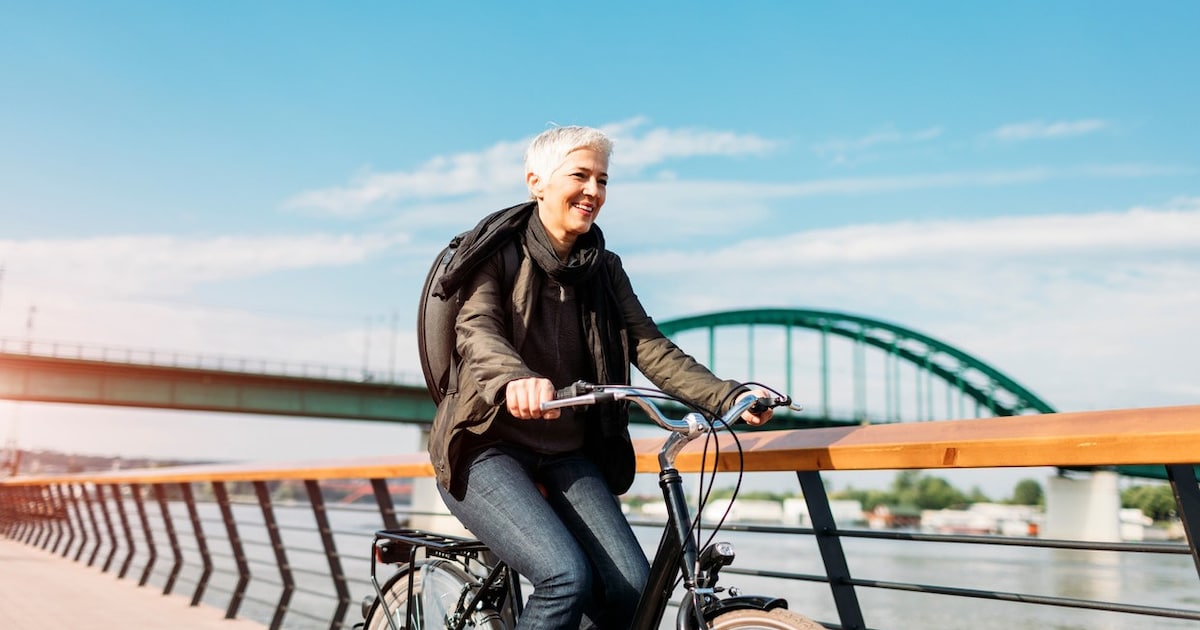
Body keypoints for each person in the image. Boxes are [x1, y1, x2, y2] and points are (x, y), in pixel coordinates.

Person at [427, 125, 775, 629]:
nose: (593, 191)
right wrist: (513, 380)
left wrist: (727, 395)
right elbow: (477, 330)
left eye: (603, 181)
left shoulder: (604, 270)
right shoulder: (496, 252)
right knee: (564, 576)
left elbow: (648, 346)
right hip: (485, 445)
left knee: (632, 588)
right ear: (536, 182)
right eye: (580, 176)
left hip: (567, 449)